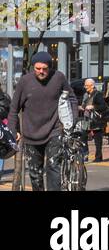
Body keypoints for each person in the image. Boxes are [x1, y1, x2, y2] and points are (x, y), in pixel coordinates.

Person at [11, 52, 75, 191]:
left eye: (44, 68)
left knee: (53, 167)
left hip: (54, 130)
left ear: (50, 67)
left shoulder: (59, 78)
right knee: (35, 174)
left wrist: (72, 121)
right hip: (31, 134)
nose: (41, 71)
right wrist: (14, 131)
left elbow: (72, 99)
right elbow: (14, 110)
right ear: (33, 67)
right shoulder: (25, 82)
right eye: (38, 68)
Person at [79, 79, 108, 163]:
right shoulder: (85, 94)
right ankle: (85, 155)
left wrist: (93, 106)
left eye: (87, 86)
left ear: (92, 86)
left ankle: (98, 157)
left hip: (96, 119)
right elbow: (84, 105)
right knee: (83, 137)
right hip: (87, 118)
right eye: (85, 85)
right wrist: (80, 107)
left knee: (97, 139)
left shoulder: (98, 94)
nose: (85, 87)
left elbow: (103, 106)